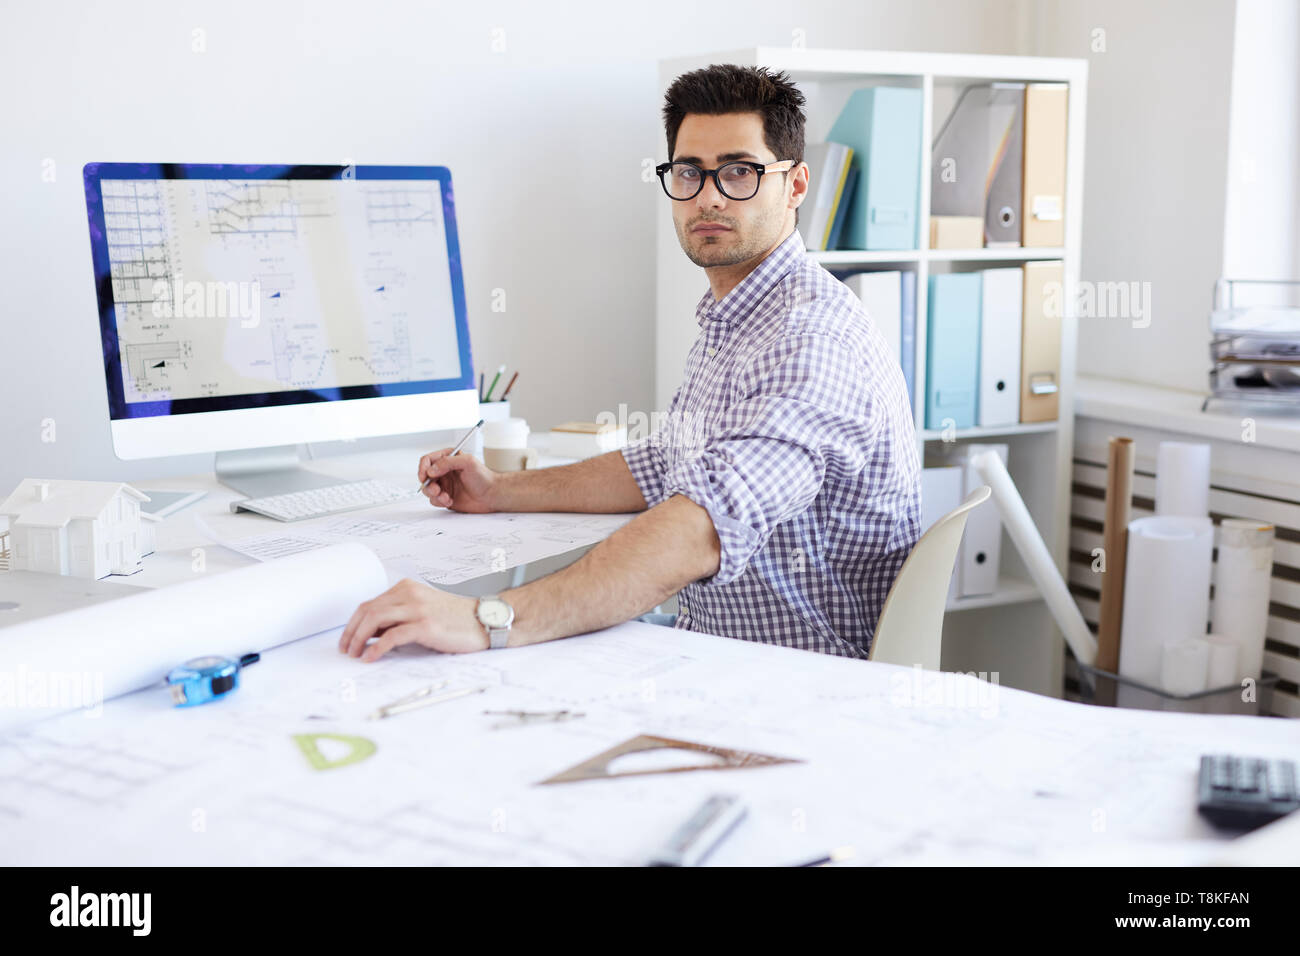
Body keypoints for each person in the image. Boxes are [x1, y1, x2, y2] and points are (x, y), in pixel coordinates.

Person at [339, 64, 920, 663]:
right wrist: (500, 492)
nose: (710, 196)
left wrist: (486, 617)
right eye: (690, 172)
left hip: (795, 684)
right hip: (710, 654)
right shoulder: (738, 316)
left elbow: (706, 525)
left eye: (740, 172)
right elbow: (663, 463)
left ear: (795, 185)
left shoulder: (813, 339)